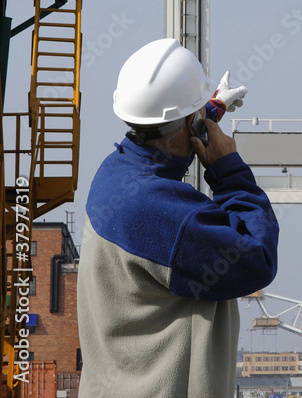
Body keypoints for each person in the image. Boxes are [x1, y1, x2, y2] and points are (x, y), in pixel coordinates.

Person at [77, 38, 280, 397]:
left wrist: (208, 111)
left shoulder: (114, 175)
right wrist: (228, 171)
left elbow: (165, 139)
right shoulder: (166, 215)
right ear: (189, 125)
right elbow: (257, 258)